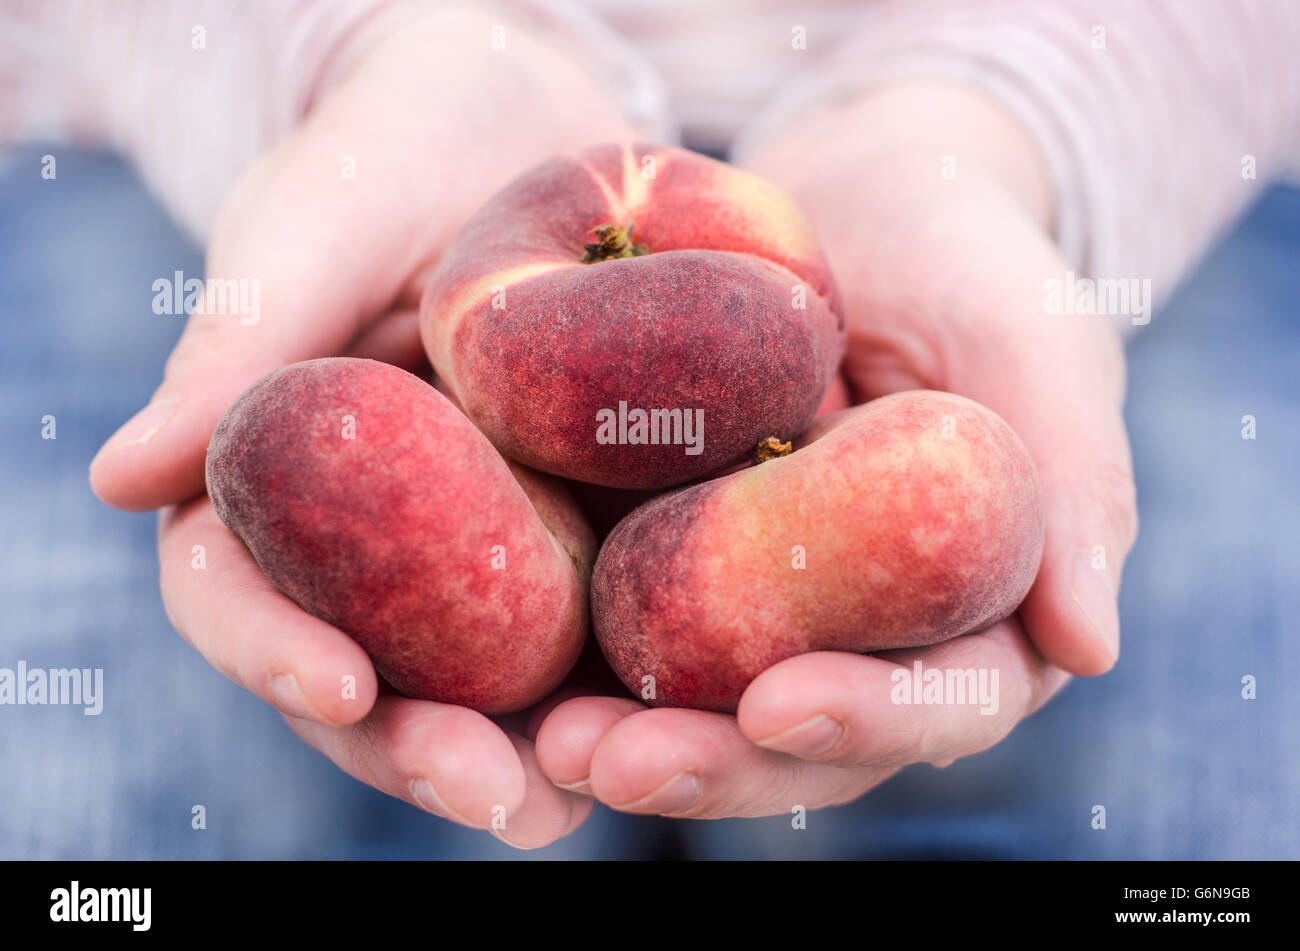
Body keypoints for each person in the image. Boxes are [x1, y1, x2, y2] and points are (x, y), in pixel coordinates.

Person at [5, 0, 1297, 855]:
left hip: (1117, 151)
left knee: (1205, 808)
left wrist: (991, 132)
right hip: (196, 132)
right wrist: (377, 53)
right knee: (89, 805)